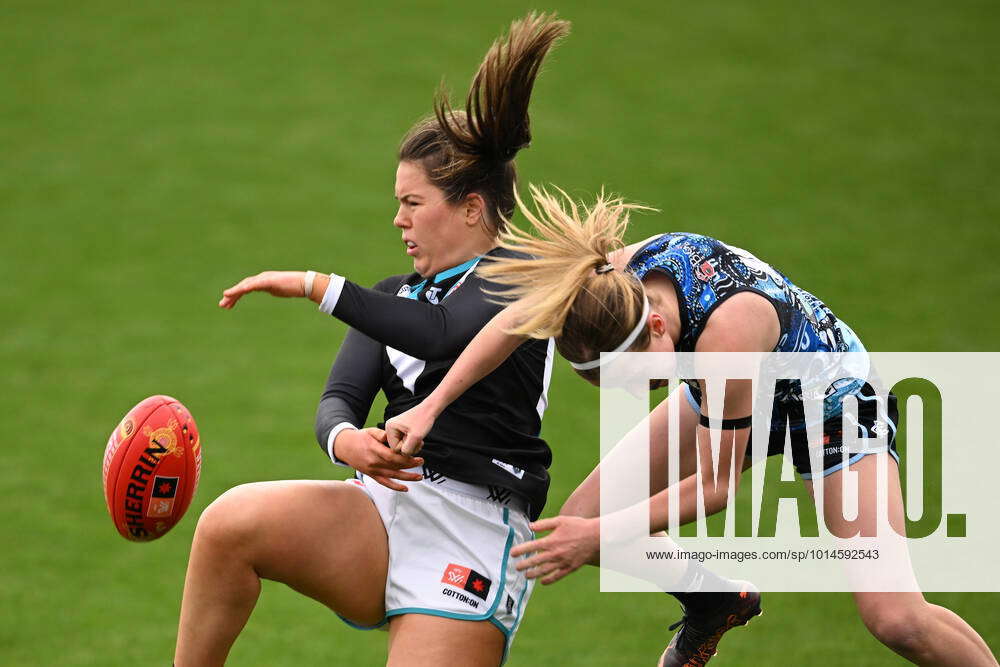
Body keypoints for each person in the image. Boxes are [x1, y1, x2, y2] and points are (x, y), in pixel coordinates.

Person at [383, 186, 999, 667]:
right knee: (588, 511)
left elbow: (716, 488)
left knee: (896, 619)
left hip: (831, 408)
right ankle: (713, 601)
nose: (635, 392)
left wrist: (592, 537)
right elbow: (512, 321)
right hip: (734, 393)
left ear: (655, 328)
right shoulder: (612, 284)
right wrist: (430, 406)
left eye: (637, 375)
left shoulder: (725, 336)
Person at [174, 14, 569, 667]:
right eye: (398, 202)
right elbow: (339, 398)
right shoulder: (396, 294)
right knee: (228, 525)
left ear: (472, 206)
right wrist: (345, 440)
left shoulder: (518, 281)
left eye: (414, 202)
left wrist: (315, 285)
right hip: (380, 513)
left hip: (468, 535)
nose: (399, 219)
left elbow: (442, 333)